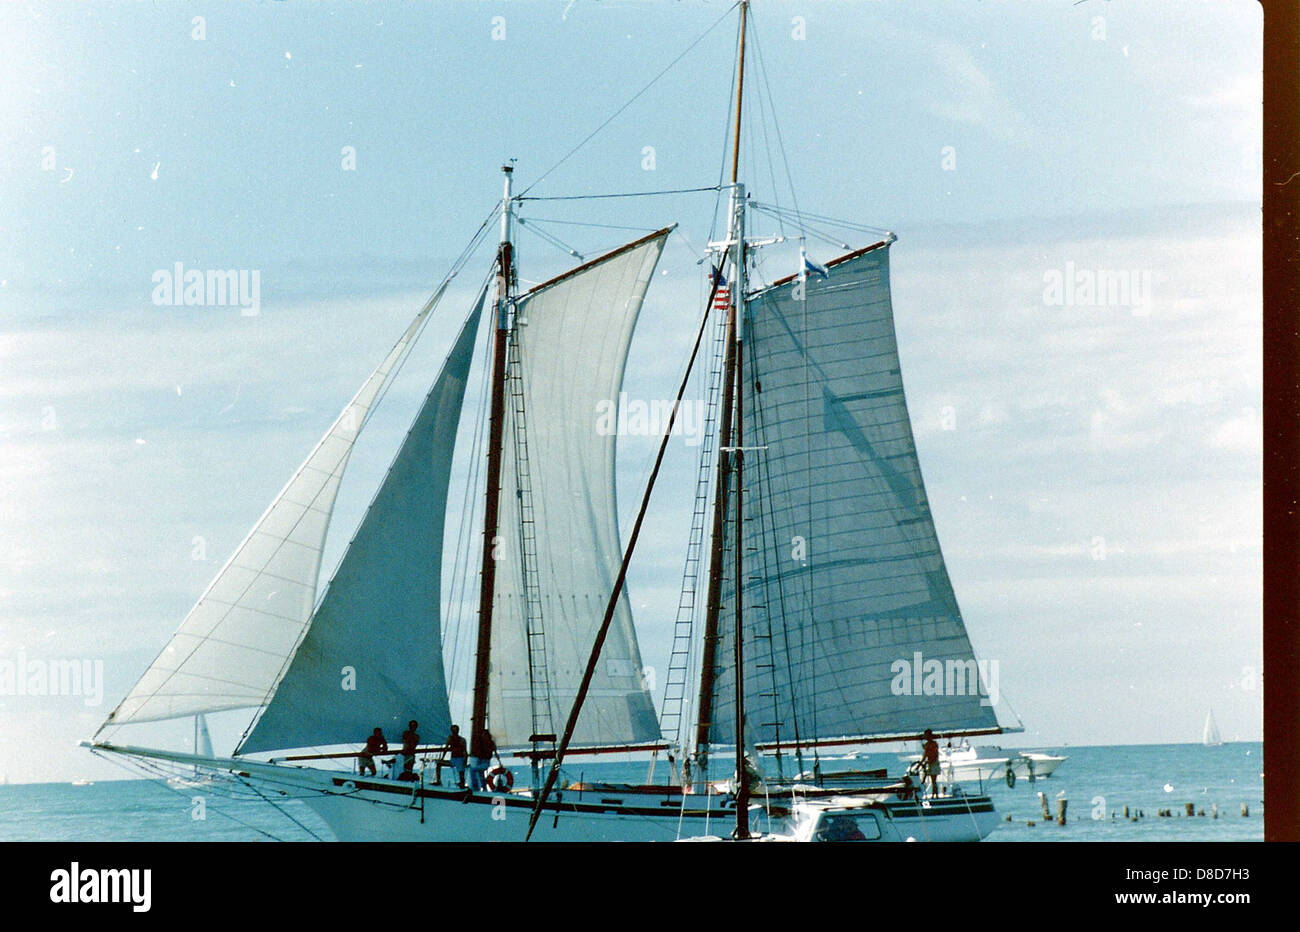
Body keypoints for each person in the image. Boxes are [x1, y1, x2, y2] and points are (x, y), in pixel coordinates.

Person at [469, 727, 497, 792]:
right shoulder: (481, 743)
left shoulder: (490, 743)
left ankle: (476, 786)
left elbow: (495, 752)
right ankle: (484, 788)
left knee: (473, 770)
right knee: (481, 775)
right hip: (481, 761)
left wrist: (499, 762)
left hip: (485, 762)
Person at [445, 725, 468, 789]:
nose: (454, 731)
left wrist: (465, 761)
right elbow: (446, 749)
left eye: (455, 730)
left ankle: (462, 783)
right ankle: (438, 780)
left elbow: (465, 751)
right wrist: (442, 758)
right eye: (453, 730)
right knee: (439, 763)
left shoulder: (462, 740)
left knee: (461, 771)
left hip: (460, 758)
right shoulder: (450, 738)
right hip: (453, 759)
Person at [921, 728, 941, 797]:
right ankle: (935, 795)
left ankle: (935, 795)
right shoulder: (929, 744)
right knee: (933, 781)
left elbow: (934, 755)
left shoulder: (933, 744)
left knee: (933, 781)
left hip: (933, 763)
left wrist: (926, 762)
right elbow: (925, 755)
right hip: (931, 763)